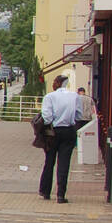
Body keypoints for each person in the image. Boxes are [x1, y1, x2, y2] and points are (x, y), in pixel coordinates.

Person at [39, 74, 83, 203]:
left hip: (53, 131)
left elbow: (46, 117)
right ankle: (61, 195)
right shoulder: (75, 96)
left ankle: (46, 191)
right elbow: (79, 115)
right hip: (69, 131)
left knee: (49, 161)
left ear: (57, 83)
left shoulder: (49, 97)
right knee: (64, 163)